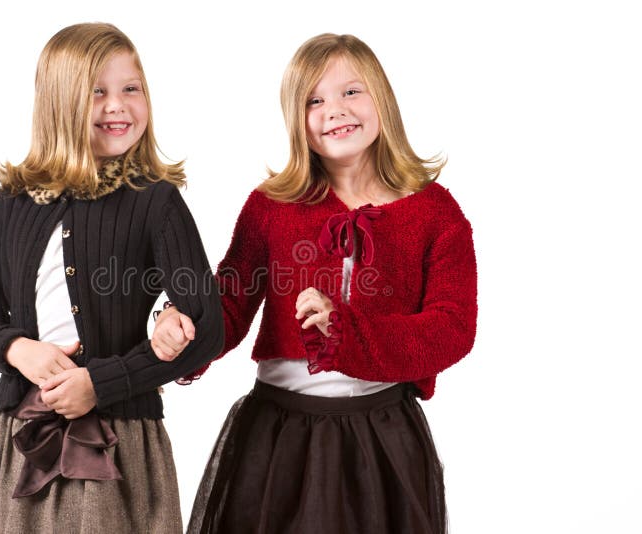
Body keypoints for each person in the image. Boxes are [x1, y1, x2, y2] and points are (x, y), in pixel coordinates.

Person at [152, 33, 477, 534]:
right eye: (314, 99)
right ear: (296, 119)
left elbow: (451, 328)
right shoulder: (269, 207)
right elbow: (231, 301)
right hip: (280, 433)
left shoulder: (435, 212)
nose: (335, 110)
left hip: (384, 436)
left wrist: (345, 330)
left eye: (352, 91)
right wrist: (179, 324)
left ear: (382, 99)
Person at [0, 22, 224, 534]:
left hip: (119, 443)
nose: (118, 106)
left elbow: (206, 326)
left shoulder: (155, 201)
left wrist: (101, 382)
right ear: (58, 102)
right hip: (18, 435)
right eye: (98, 92)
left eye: (130, 89)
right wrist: (17, 349)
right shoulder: (12, 202)